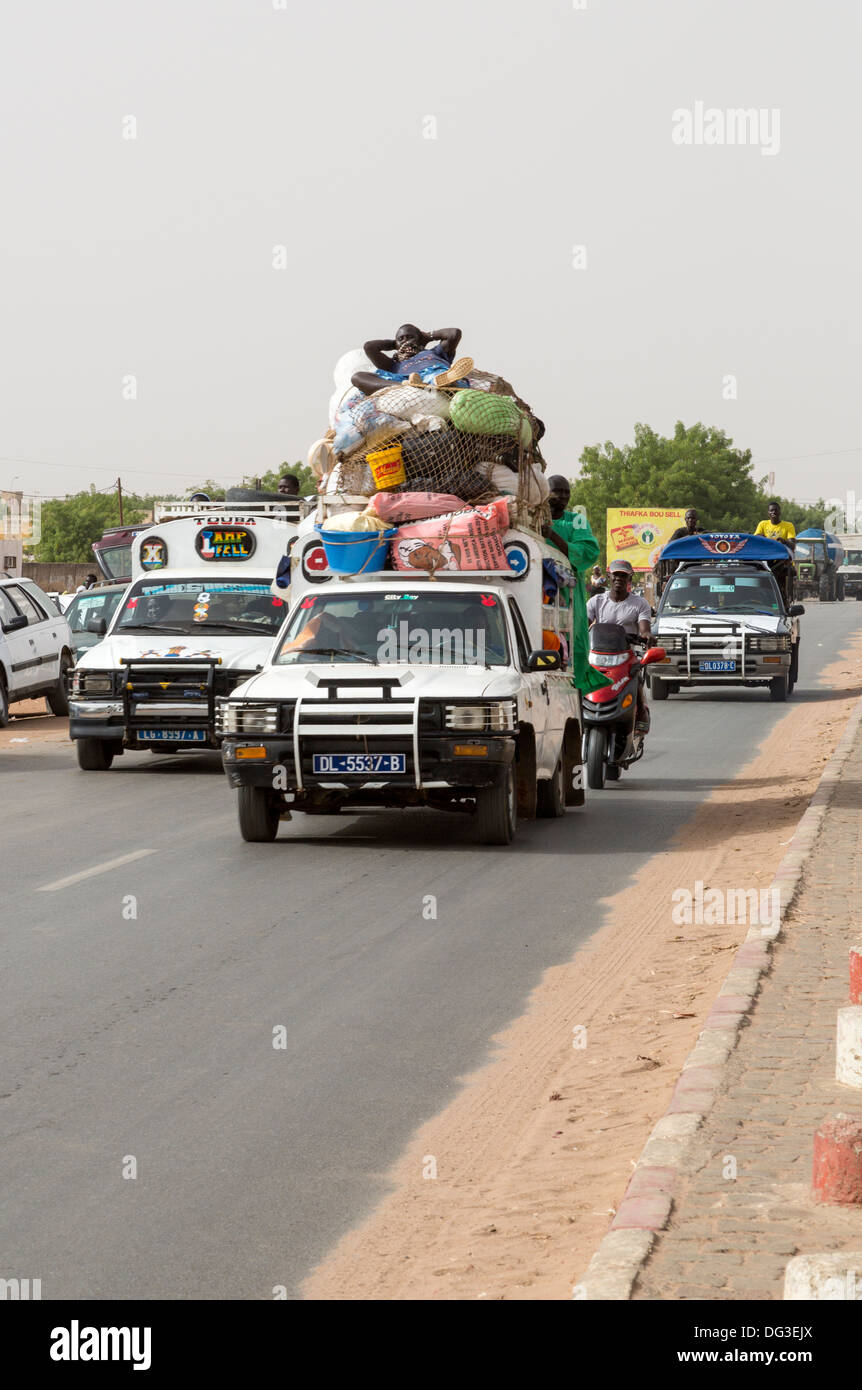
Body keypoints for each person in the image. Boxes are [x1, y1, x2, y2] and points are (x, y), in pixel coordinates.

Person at [541, 475, 610, 695]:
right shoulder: (533, 517)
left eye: (566, 492)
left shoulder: (576, 520)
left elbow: (586, 552)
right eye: (557, 491)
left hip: (569, 595)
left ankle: (574, 695)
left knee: (572, 645)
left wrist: (552, 535)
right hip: (537, 592)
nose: (563, 496)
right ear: (545, 493)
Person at [587, 558, 653, 732]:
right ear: (609, 576)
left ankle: (641, 712)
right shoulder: (596, 601)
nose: (619, 578)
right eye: (616, 575)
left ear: (629, 579)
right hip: (598, 653)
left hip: (626, 654)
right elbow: (583, 625)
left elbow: (644, 629)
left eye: (623, 576)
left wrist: (647, 636)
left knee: (636, 676)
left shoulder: (640, 603)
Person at [351, 324, 473, 397]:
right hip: (404, 381)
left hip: (433, 373)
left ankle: (447, 382)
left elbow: (454, 333)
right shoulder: (393, 365)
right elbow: (369, 347)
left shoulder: (435, 352)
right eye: (401, 338)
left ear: (420, 339)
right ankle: (409, 386)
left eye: (410, 337)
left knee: (438, 375)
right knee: (358, 377)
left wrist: (427, 336)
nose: (405, 340)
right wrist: (395, 344)